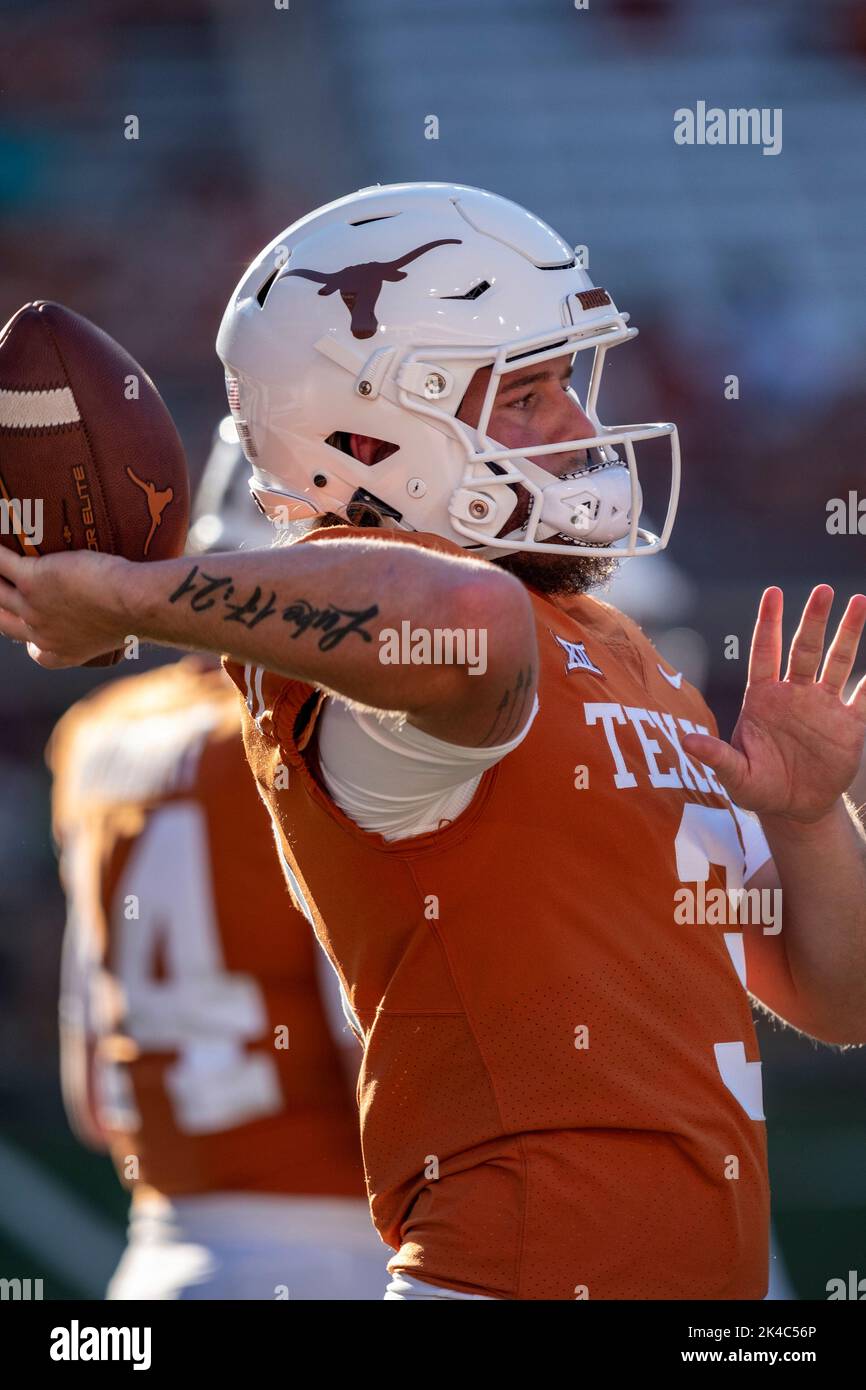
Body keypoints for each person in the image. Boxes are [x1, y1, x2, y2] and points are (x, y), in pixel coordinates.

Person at [3, 183, 866, 1301]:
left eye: (568, 383)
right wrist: (129, 591)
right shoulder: (398, 678)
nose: (578, 430)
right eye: (526, 395)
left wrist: (803, 821)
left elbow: (837, 1000)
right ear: (372, 430)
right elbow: (461, 622)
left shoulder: (615, 645)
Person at [48, 423, 386, 1299]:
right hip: (351, 1253)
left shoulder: (96, 734)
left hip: (159, 1252)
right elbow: (372, 1051)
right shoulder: (324, 727)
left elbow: (90, 1094)